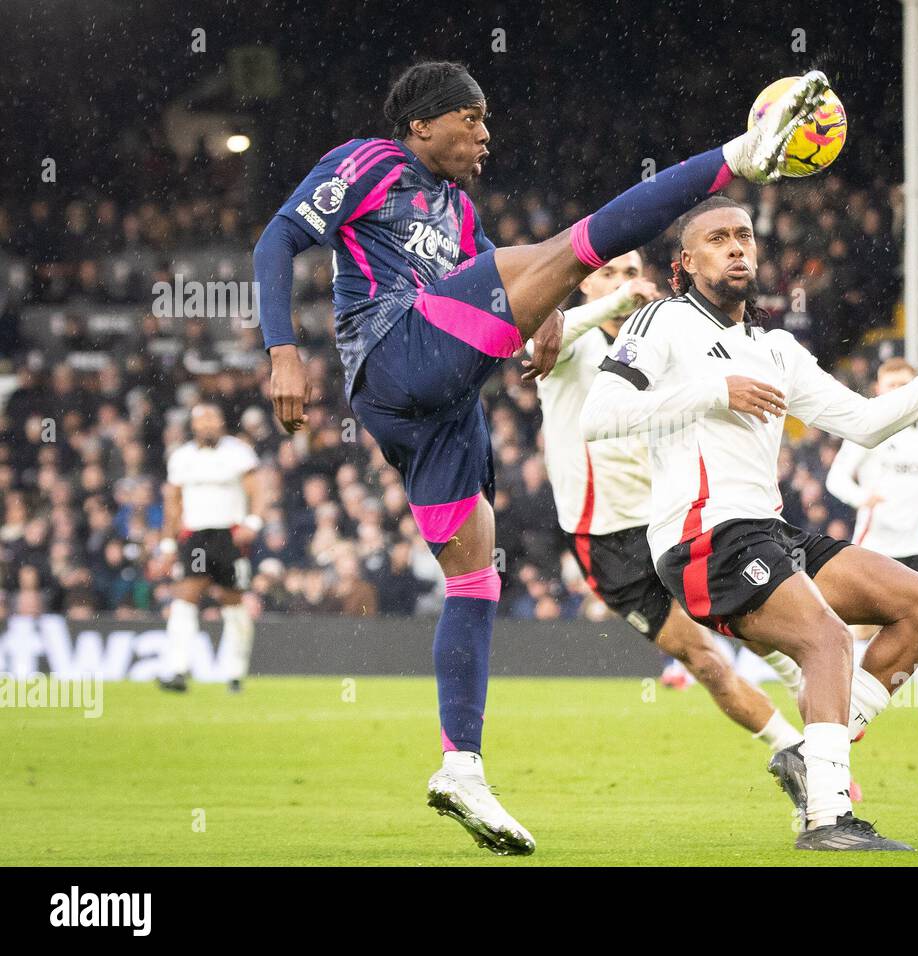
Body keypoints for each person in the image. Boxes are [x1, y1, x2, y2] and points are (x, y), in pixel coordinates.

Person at [253, 61, 831, 855]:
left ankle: (462, 765)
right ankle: (738, 153)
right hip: (396, 352)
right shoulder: (370, 163)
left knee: (473, 573)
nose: (485, 136)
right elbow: (278, 236)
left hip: (437, 409)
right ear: (421, 124)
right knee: (583, 242)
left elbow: (505, 274)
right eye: (471, 119)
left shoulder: (457, 214)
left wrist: (549, 310)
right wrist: (282, 352)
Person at [581, 197, 918, 850]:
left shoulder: (777, 348)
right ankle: (828, 818)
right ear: (685, 262)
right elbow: (600, 414)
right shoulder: (661, 321)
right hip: (702, 539)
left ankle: (815, 759)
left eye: (744, 237)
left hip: (769, 530)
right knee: (831, 642)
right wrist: (712, 390)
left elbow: (868, 423)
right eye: (718, 239)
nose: (735, 247)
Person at [535, 249, 809, 803]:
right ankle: (789, 747)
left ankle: (823, 749)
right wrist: (619, 300)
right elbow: (532, 347)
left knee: (755, 628)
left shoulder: (662, 349)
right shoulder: (570, 346)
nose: (621, 282)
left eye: (631, 272)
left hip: (677, 518)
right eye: (606, 274)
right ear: (585, 286)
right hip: (607, 536)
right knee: (703, 658)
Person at [825, 357, 918, 726]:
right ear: (879, 390)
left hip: (917, 543)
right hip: (875, 545)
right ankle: (846, 706)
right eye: (891, 386)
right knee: (859, 628)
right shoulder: (869, 429)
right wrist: (860, 497)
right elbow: (836, 478)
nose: (899, 392)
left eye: (905, 384)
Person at [158, 404, 264, 694]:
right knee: (186, 596)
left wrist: (253, 523)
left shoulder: (238, 452)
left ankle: (235, 673)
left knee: (233, 603)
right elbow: (173, 503)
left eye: (213, 419)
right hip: (195, 536)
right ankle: (177, 669)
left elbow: (257, 490)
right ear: (193, 426)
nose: (207, 425)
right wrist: (167, 543)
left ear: (221, 422)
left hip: (230, 535)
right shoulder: (181, 458)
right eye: (202, 420)